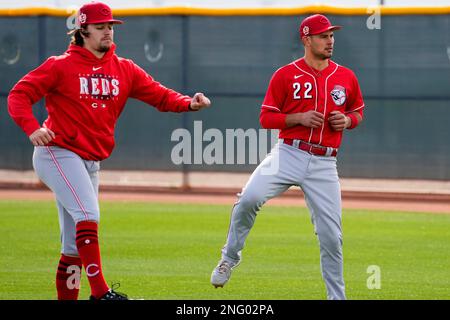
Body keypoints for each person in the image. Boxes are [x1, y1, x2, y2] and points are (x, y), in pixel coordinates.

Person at [8, 1, 211, 300]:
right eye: (100, 27)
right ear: (82, 31)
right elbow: (19, 95)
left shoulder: (123, 68)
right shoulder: (60, 65)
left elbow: (157, 94)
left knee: (73, 246)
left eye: (110, 27)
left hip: (90, 159)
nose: (108, 32)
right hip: (58, 151)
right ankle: (101, 294)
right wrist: (32, 128)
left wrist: (187, 103)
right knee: (88, 215)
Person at [210, 14, 364, 300]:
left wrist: (349, 121)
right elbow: (266, 118)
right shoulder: (285, 75)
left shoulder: (346, 76)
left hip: (325, 163)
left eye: (331, 35)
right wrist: (298, 118)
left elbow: (358, 111)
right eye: (323, 36)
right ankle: (230, 256)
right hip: (289, 153)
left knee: (332, 237)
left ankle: (337, 298)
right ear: (306, 39)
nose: (330, 40)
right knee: (249, 199)